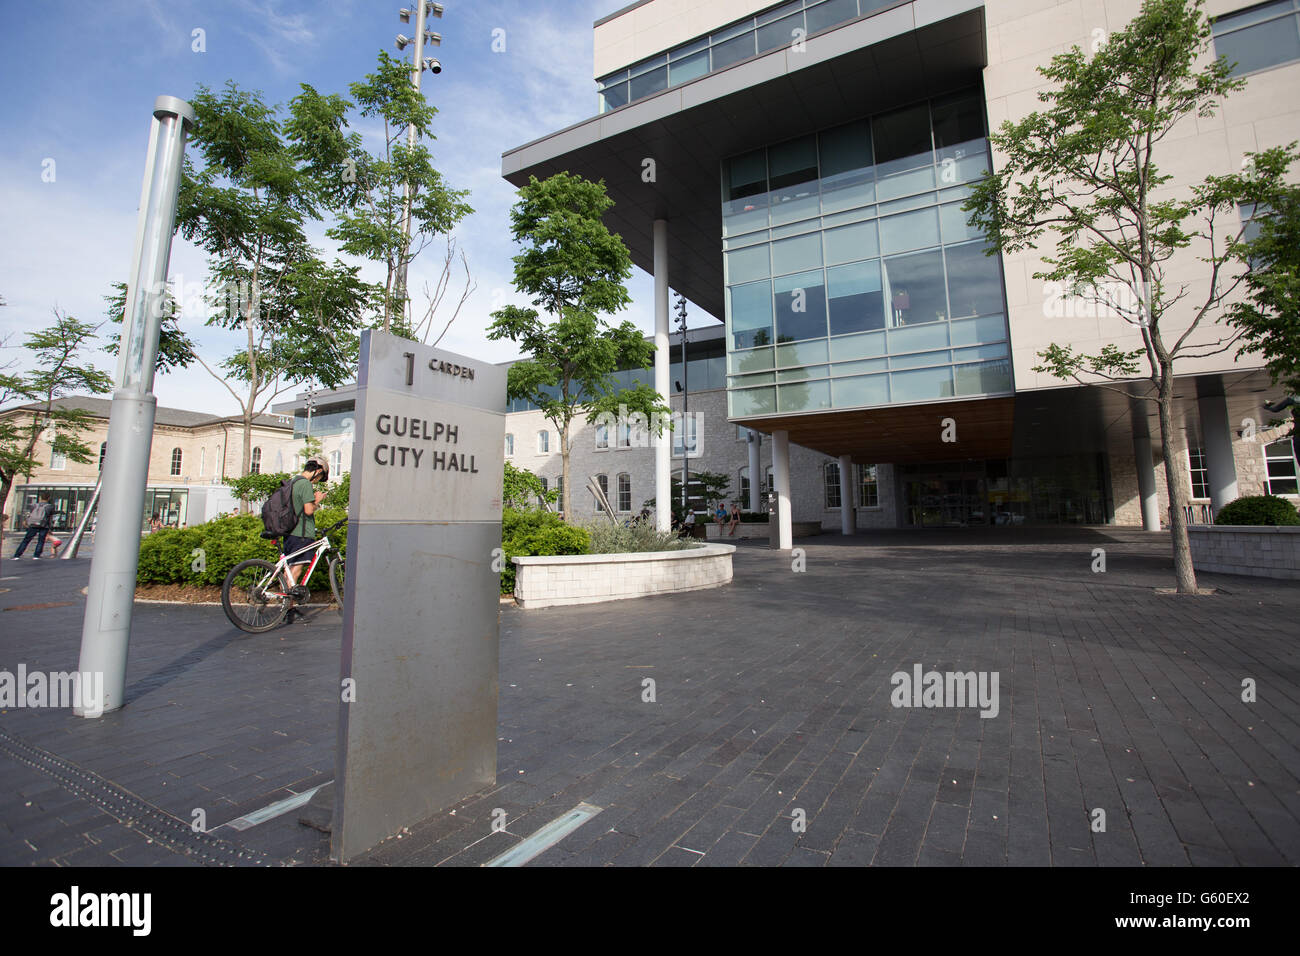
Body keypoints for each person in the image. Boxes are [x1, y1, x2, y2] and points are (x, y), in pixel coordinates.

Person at [283, 458, 329, 601]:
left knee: (288, 573)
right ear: (318, 471)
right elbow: (308, 510)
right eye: (320, 478)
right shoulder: (305, 484)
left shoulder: (293, 482)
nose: (317, 481)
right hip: (301, 534)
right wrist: (318, 500)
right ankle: (288, 610)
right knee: (295, 571)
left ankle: (285, 607)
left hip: (289, 532)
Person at [12, 494, 54, 560]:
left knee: (26, 540)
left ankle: (17, 555)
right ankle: (36, 556)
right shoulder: (50, 506)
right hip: (44, 525)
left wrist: (26, 521)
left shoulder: (34, 505)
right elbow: (50, 517)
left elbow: (30, 514)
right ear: (49, 498)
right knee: (41, 541)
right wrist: (50, 527)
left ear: (40, 497)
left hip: (33, 524)